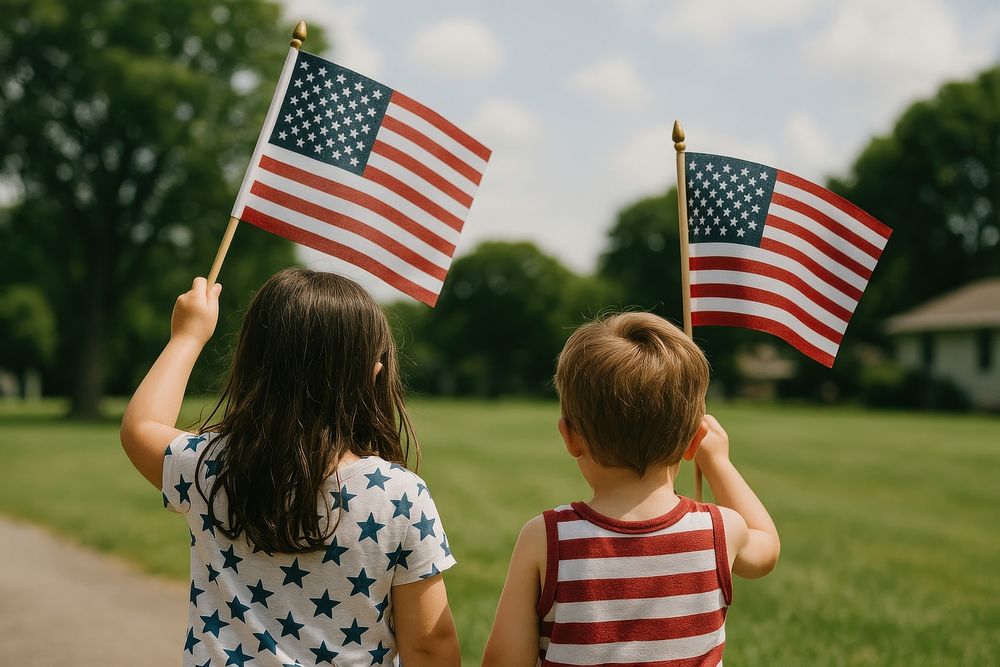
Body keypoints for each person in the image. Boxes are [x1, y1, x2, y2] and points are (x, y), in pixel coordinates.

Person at [120, 269, 460, 667]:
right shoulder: (400, 495)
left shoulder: (206, 469)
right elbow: (430, 643)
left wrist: (187, 337)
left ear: (249, 359)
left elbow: (140, 427)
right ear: (373, 373)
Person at [482, 312, 780, 667]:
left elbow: (504, 662)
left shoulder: (546, 538)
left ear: (570, 437)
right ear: (693, 441)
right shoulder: (720, 531)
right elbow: (766, 546)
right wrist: (718, 463)